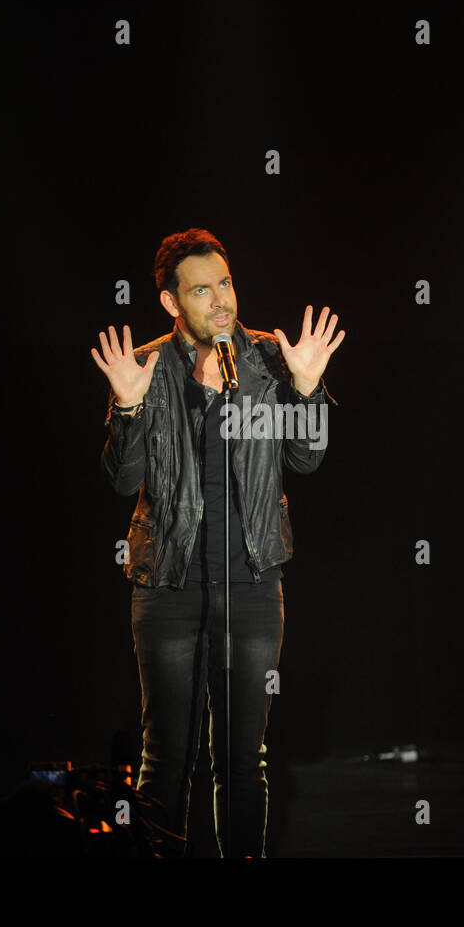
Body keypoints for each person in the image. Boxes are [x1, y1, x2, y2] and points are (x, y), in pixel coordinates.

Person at [90, 228, 343, 857]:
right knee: (166, 756)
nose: (220, 300)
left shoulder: (268, 360)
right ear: (173, 303)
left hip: (253, 584)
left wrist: (308, 392)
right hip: (168, 585)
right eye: (201, 290)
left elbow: (306, 461)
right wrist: (126, 409)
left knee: (242, 758)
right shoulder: (146, 366)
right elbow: (123, 480)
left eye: (225, 283)